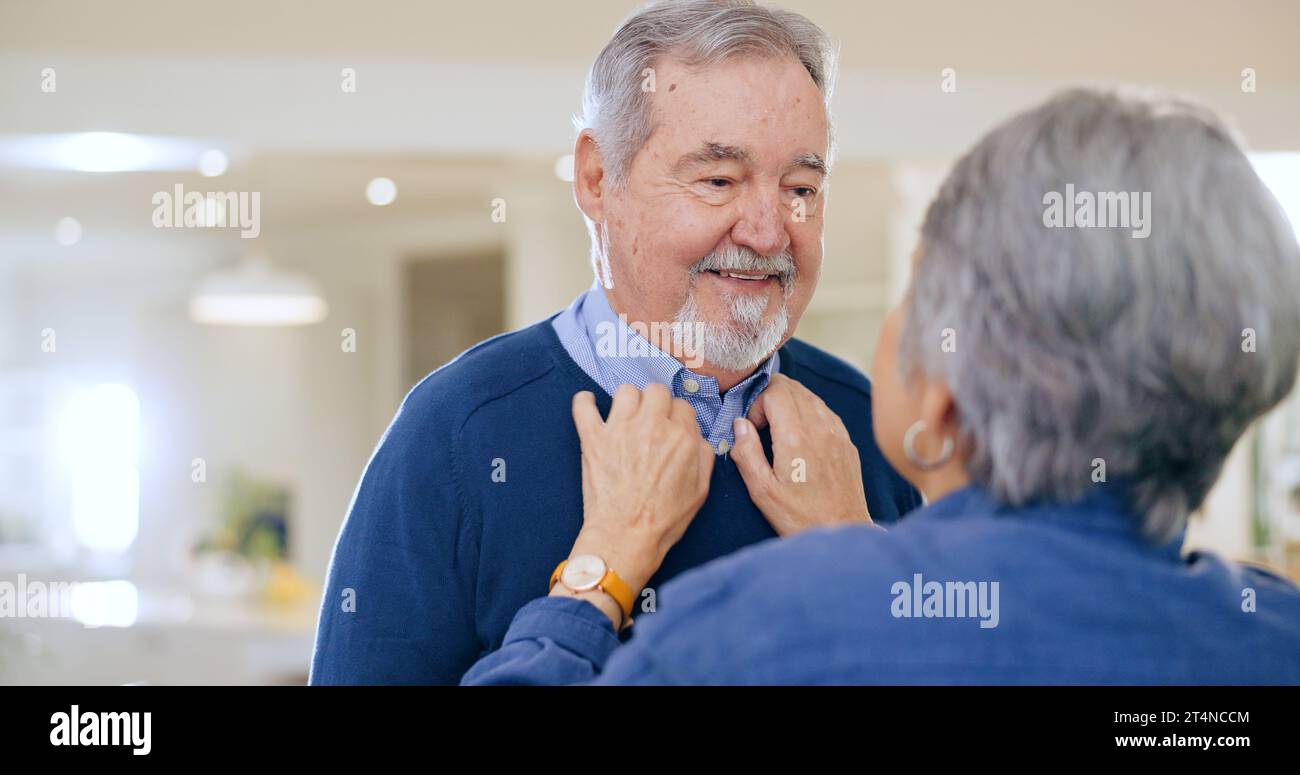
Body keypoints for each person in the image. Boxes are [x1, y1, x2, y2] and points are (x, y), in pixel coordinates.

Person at [462, 87, 1300, 685]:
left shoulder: (746, 632)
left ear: (944, 390)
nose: (766, 229)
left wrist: (598, 576)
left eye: (918, 288)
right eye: (719, 179)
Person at [310, 0, 920, 685]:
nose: (768, 232)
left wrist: (861, 567)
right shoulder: (455, 432)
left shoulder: (866, 425)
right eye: (718, 180)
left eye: (801, 187)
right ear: (598, 179)